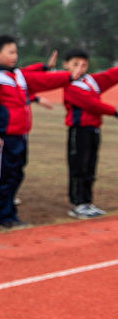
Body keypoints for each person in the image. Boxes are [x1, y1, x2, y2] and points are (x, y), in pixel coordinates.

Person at [0, 35, 71, 228]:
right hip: (3, 137)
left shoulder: (17, 75)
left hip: (21, 135)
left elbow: (39, 77)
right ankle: (0, 218)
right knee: (1, 177)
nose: (15, 56)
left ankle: (11, 214)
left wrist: (58, 73)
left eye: (16, 52)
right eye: (10, 52)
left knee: (16, 175)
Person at [61, 49, 117, 218]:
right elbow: (90, 104)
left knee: (90, 167)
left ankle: (87, 202)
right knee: (79, 167)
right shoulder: (69, 84)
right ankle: (77, 203)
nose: (80, 68)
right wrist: (114, 111)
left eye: (84, 64)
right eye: (75, 64)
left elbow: (111, 76)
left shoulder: (90, 80)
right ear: (66, 65)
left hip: (93, 129)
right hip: (79, 130)